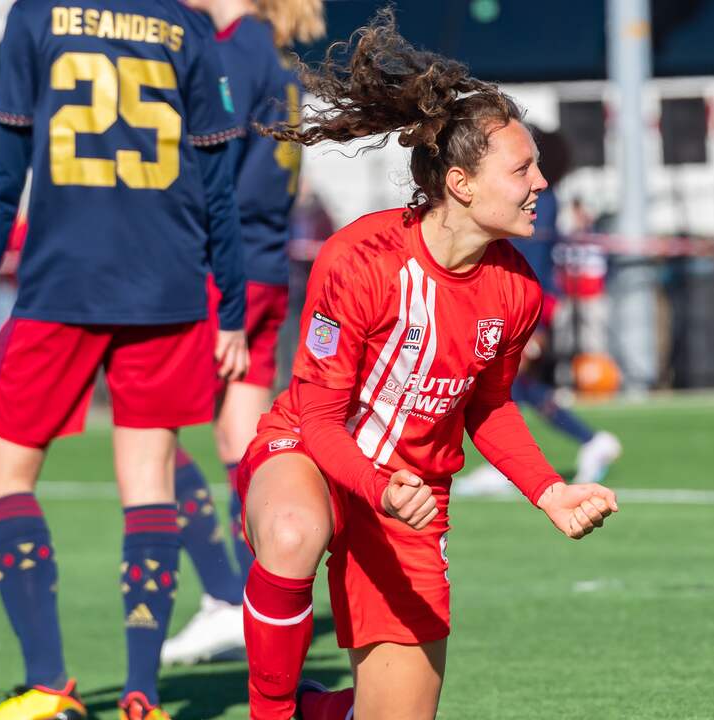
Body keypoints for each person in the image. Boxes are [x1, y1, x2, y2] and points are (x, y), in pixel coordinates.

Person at [237, 12, 619, 718]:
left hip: (412, 501)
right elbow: (320, 419)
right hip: (314, 456)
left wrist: (548, 491)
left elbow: (491, 407)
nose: (541, 181)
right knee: (292, 533)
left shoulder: (518, 290)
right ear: (462, 183)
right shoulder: (359, 258)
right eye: (522, 168)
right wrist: (377, 485)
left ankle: (326, 709)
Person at [0, 1, 249, 718]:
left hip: (64, 284)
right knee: (149, 481)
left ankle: (50, 684)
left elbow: (4, 171)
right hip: (169, 287)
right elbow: (219, 189)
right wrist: (230, 309)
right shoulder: (187, 27)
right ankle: (143, 692)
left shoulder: (37, 15)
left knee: (1, 473)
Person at [159, 0, 323, 668]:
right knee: (243, 444)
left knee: (150, 435)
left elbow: (211, 172)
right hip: (264, 265)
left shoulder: (233, 50)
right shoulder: (278, 58)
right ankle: (259, 594)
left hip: (218, 269)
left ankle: (228, 596)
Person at [453, 126, 621, 497]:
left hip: (527, 301)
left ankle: (515, 463)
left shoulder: (537, 200)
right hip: (526, 298)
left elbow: (530, 259)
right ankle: (589, 441)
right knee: (515, 385)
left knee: (500, 386)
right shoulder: (544, 198)